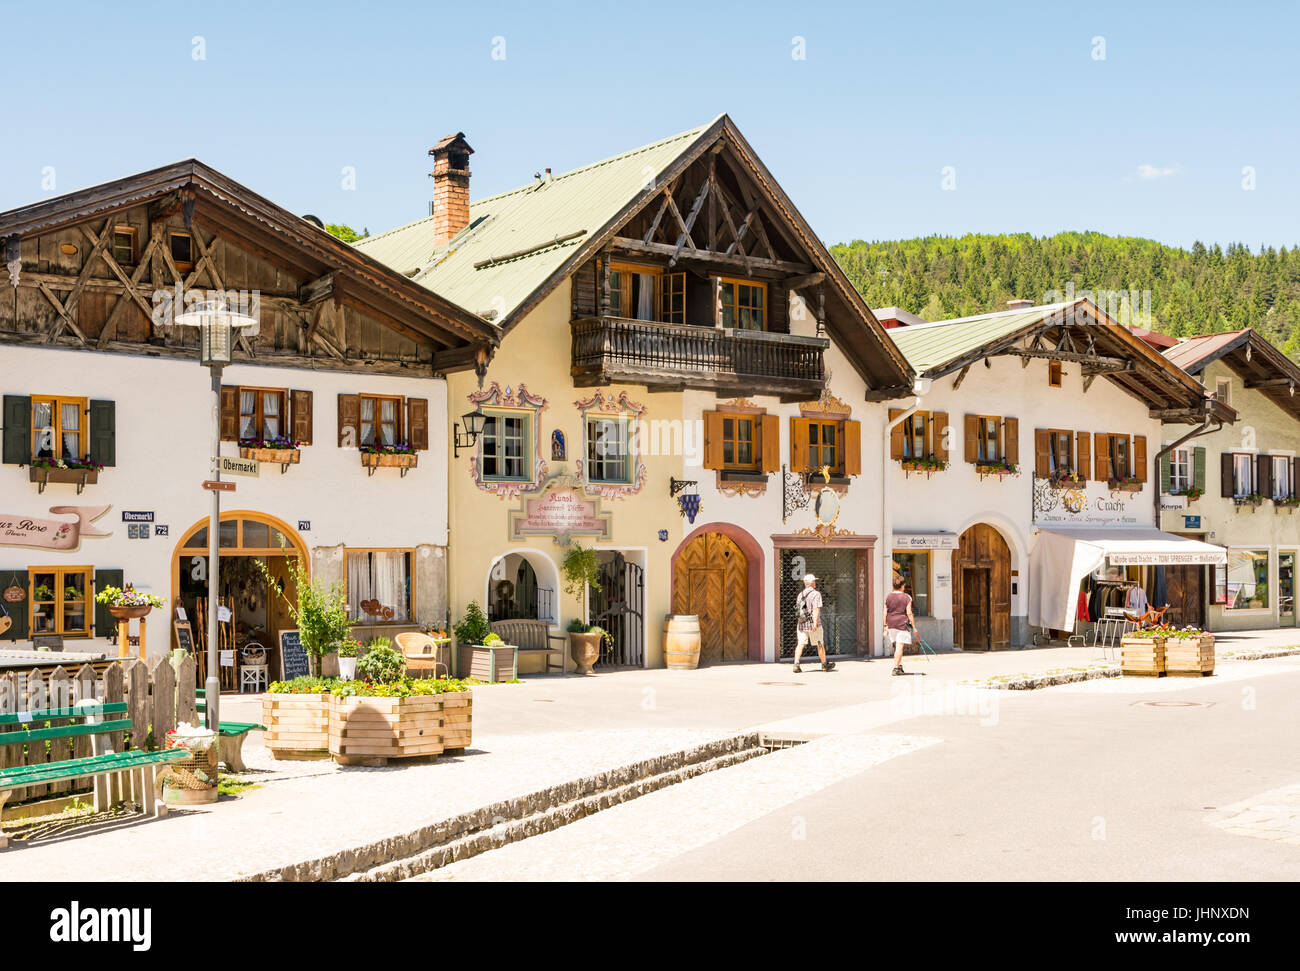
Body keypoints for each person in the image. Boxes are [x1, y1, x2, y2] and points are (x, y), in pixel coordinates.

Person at [793, 573, 834, 673]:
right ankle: (824, 664)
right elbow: (816, 609)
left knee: (801, 644)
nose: (815, 582)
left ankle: (796, 663)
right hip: (812, 624)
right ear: (811, 583)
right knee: (820, 643)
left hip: (802, 624)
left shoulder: (800, 594)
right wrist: (815, 623)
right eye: (814, 581)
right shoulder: (816, 594)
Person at [884, 575, 916, 676]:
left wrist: (885, 625)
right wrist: (914, 627)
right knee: (899, 646)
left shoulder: (888, 597)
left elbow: (885, 611)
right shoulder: (907, 597)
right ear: (903, 586)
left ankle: (899, 665)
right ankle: (896, 668)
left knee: (897, 645)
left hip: (891, 623)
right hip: (902, 623)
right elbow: (909, 613)